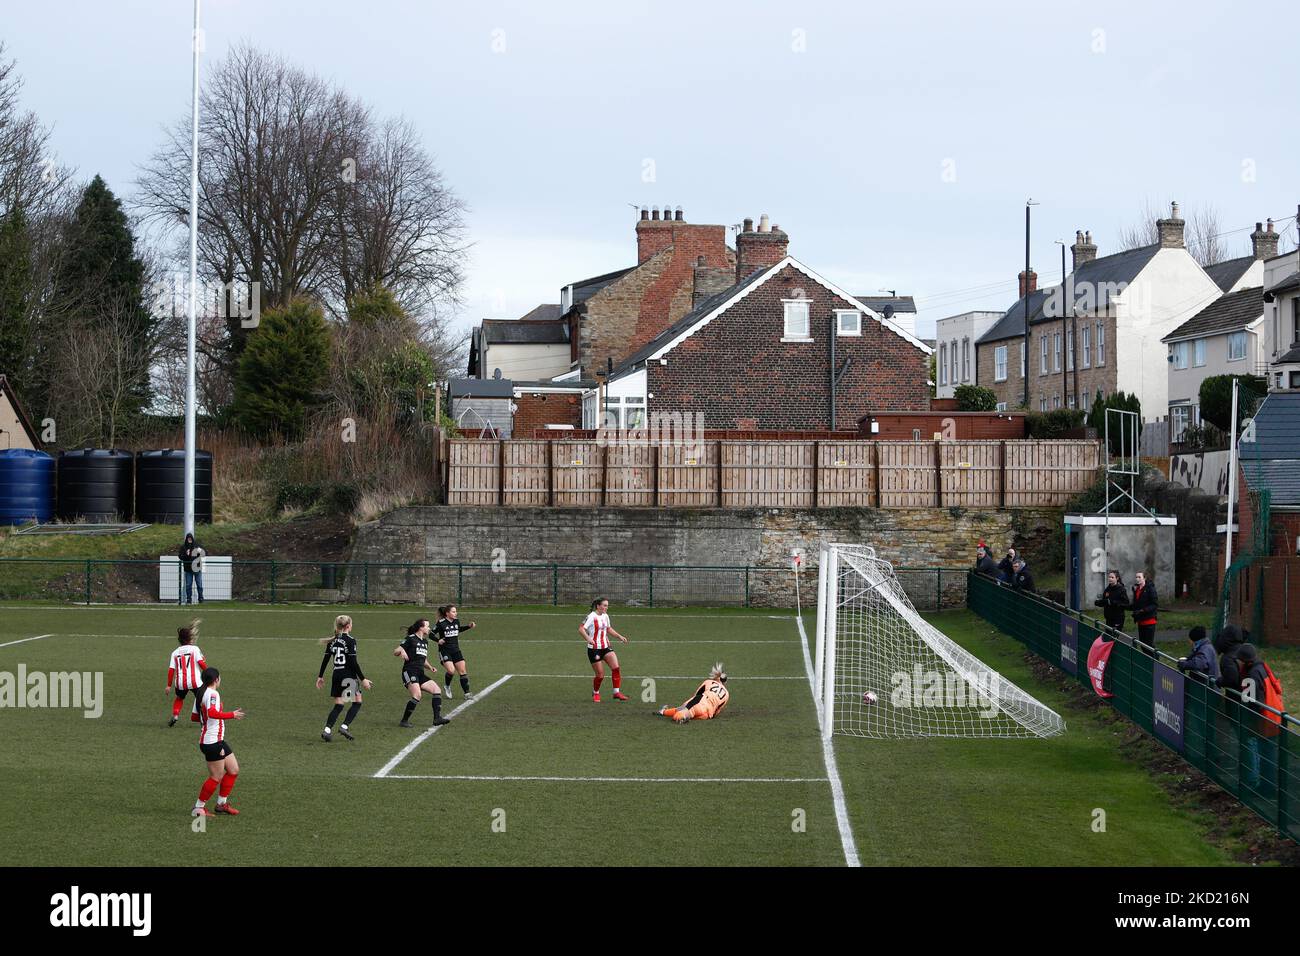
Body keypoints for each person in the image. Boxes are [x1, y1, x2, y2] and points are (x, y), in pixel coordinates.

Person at [192, 666, 244, 817]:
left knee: (233, 770)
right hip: (212, 742)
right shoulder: (213, 694)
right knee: (216, 776)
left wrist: (206, 721)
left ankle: (221, 804)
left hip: (216, 740)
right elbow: (213, 713)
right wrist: (231, 714)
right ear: (216, 680)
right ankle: (199, 808)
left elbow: (195, 717)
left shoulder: (200, 694)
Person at [317, 614, 372, 742]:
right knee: (357, 701)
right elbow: (353, 662)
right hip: (348, 675)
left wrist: (320, 676)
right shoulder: (351, 641)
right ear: (348, 626)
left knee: (339, 704)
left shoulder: (333, 641)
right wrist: (363, 679)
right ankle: (344, 726)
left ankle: (327, 730)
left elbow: (325, 659)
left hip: (336, 674)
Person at [394, 619, 450, 728]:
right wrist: (403, 651)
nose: (429, 628)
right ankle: (404, 721)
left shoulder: (425, 642)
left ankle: (437, 718)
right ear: (421, 627)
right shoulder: (410, 639)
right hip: (409, 672)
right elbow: (396, 651)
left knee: (436, 690)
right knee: (417, 695)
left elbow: (423, 659)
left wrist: (430, 667)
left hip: (420, 673)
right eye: (427, 626)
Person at [581, 597, 629, 702]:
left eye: (607, 605)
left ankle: (616, 692)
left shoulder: (606, 616)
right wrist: (589, 639)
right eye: (604, 605)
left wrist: (619, 636)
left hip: (606, 647)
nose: (606, 607)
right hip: (594, 649)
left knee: (616, 668)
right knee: (600, 675)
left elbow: (608, 629)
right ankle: (596, 693)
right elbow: (581, 629)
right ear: (598, 606)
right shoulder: (591, 616)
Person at [166, 619, 207, 728]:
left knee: (179, 698)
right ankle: (203, 719)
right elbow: (201, 663)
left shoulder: (175, 652)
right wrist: (208, 673)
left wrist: (169, 685)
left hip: (180, 683)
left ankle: (175, 715)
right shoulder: (194, 649)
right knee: (201, 698)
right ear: (190, 638)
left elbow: (171, 670)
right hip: (195, 682)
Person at [658, 664, 729, 723]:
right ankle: (665, 712)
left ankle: (675, 715)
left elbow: (697, 695)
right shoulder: (726, 694)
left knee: (680, 712)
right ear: (725, 681)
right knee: (688, 712)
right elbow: (716, 711)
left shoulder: (709, 682)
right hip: (707, 715)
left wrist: (687, 705)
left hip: (701, 702)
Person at [434, 604, 476, 701]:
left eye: (455, 611)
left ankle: (467, 693)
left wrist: (468, 626)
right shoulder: (441, 623)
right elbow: (431, 634)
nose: (455, 613)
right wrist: (438, 640)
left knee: (462, 671)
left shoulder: (456, 621)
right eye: (453, 611)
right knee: (451, 671)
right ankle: (447, 686)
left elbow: (457, 629)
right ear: (447, 613)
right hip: (445, 651)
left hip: (456, 650)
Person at [1131, 571, 1158, 649]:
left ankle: (1154, 660)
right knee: (1143, 645)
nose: (1137, 579)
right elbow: (1136, 604)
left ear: (1144, 578)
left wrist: (1142, 611)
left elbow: (1154, 604)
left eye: (1139, 577)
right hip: (1141, 621)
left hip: (1149, 621)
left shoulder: (1150, 588)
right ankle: (1147, 660)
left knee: (1148, 645)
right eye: (1136, 577)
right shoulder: (1137, 589)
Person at [1215, 624, 1245, 690]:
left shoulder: (1228, 658)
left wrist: (1220, 681)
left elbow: (1231, 679)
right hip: (1251, 695)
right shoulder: (1245, 651)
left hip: (1237, 696)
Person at [179, 533, 204, 605]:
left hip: (197, 569)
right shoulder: (183, 547)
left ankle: (201, 598)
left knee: (199, 585)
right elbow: (180, 557)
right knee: (188, 585)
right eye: (188, 538)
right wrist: (186, 554)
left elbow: (204, 553)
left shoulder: (197, 546)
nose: (189, 539)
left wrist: (201, 551)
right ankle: (189, 599)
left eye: (190, 538)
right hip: (188, 569)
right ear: (186, 539)